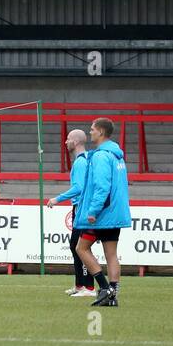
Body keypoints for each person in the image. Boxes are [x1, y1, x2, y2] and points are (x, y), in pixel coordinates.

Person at [74, 117, 131, 307]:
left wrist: (93, 211)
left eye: (92, 129)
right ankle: (113, 296)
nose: (90, 132)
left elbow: (102, 187)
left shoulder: (100, 156)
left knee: (81, 248)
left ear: (100, 132)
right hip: (115, 213)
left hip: (102, 214)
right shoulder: (117, 155)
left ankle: (104, 288)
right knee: (111, 255)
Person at [46, 129, 93, 296]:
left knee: (80, 247)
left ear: (76, 142)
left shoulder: (80, 162)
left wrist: (57, 199)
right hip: (82, 208)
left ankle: (88, 287)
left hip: (81, 208)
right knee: (77, 247)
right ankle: (81, 285)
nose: (65, 142)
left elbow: (79, 187)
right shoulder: (86, 160)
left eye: (68, 139)